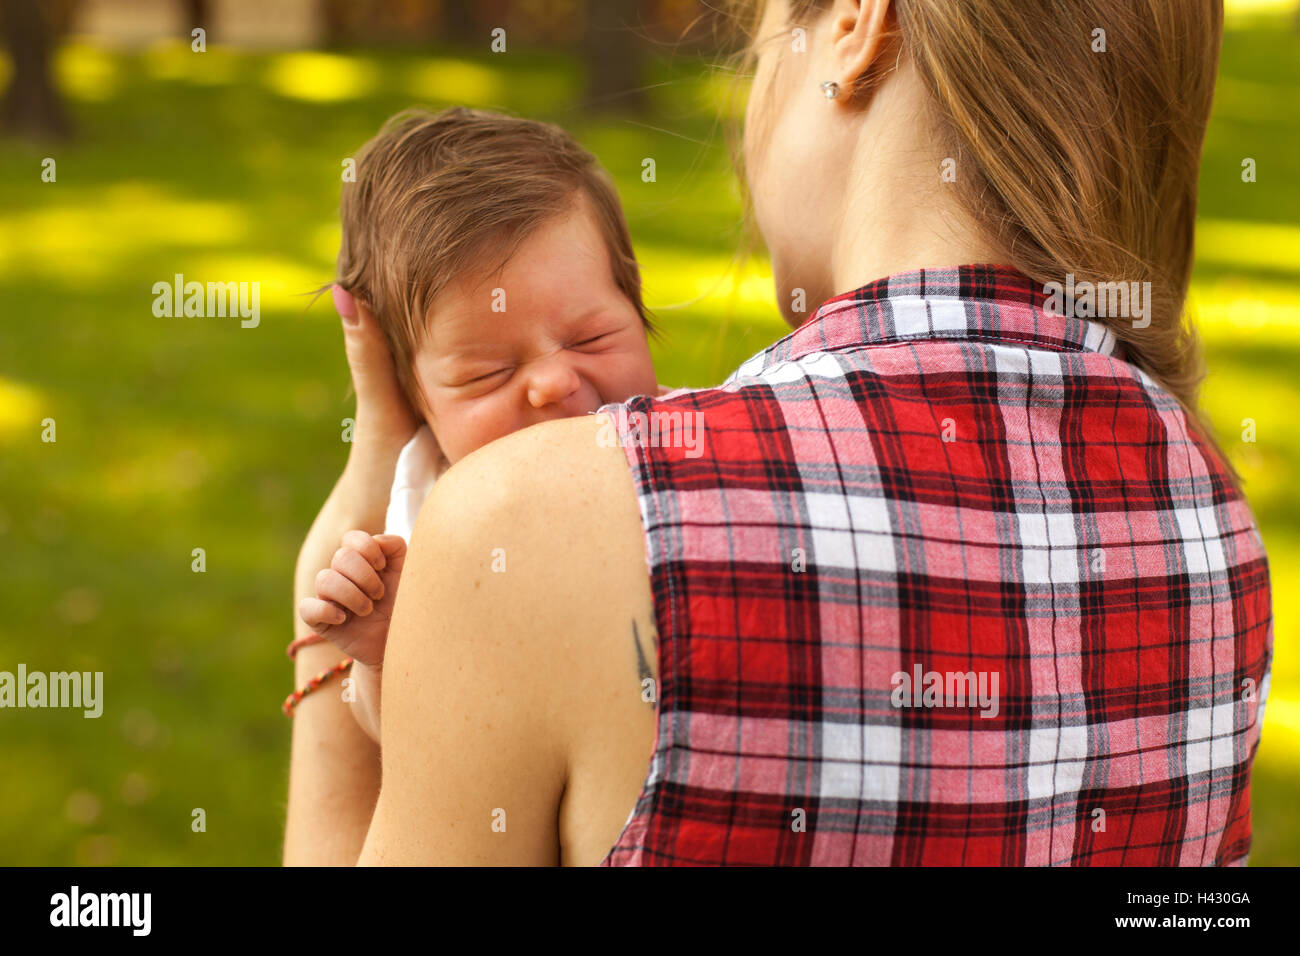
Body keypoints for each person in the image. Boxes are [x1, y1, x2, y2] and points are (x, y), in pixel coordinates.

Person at [285, 0, 1273, 866]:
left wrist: (325, 653)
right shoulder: (1209, 514)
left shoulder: (538, 527)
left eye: (760, 54)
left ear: (855, 21)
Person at [288, 107, 666, 741]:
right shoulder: (424, 515)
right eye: (488, 373)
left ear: (635, 304)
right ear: (416, 403)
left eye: (592, 336)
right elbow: (407, 745)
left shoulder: (700, 437)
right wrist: (389, 653)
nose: (553, 383)